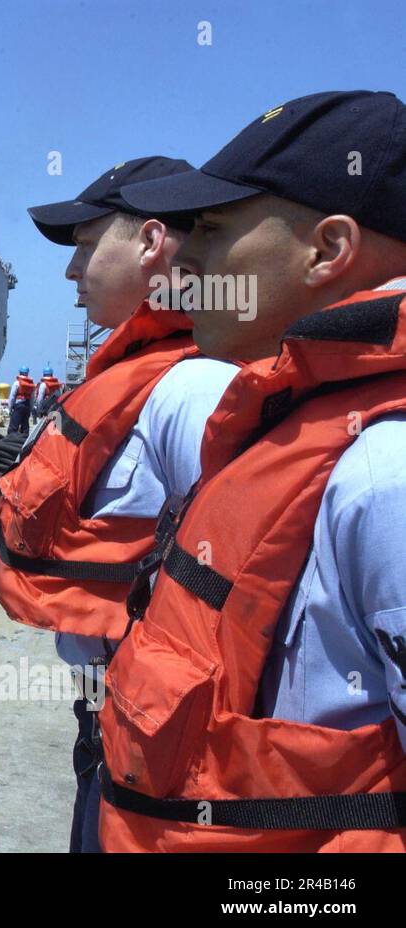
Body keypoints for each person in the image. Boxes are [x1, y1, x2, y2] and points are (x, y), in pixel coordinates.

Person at [97, 90, 406, 852]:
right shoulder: (300, 419)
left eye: (211, 227)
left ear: (329, 250)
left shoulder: (383, 475)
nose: (183, 256)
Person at [0, 155, 235, 854]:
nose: (70, 271)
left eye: (87, 247)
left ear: (151, 242)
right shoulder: (151, 380)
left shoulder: (191, 392)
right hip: (115, 733)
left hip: (162, 767)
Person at [6, 366, 35, 434]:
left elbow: (12, 397)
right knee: (25, 427)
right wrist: (30, 408)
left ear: (20, 372)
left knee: (13, 427)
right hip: (27, 406)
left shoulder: (16, 383)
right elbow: (32, 398)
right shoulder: (31, 384)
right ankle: (24, 441)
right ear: (27, 373)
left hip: (18, 407)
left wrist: (9, 409)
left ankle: (10, 441)